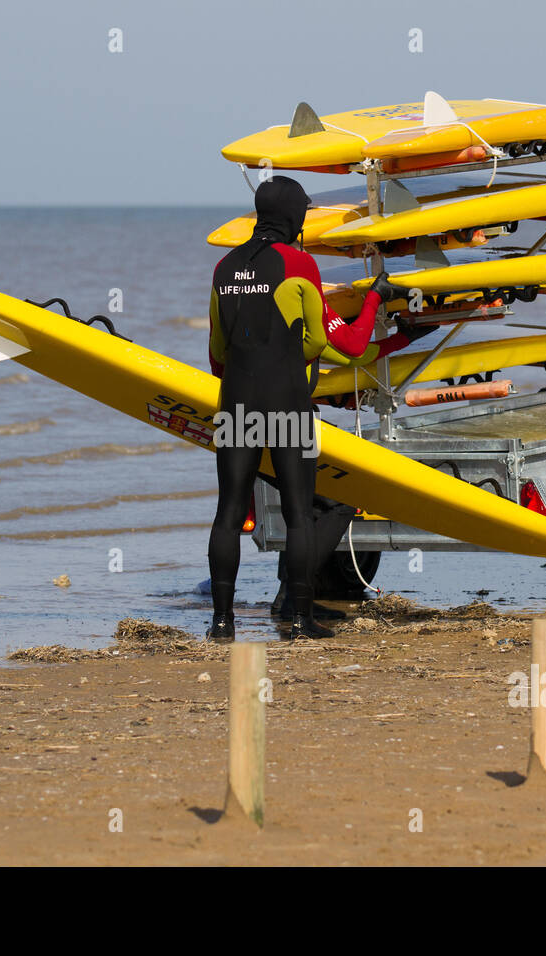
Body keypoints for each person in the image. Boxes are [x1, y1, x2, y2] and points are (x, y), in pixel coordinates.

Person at [206, 175, 402, 641]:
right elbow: (317, 338)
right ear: (294, 217)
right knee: (298, 511)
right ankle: (298, 618)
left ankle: (221, 623)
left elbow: (216, 351)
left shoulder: (224, 267)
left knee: (229, 512)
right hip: (287, 401)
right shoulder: (299, 263)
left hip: (236, 400)